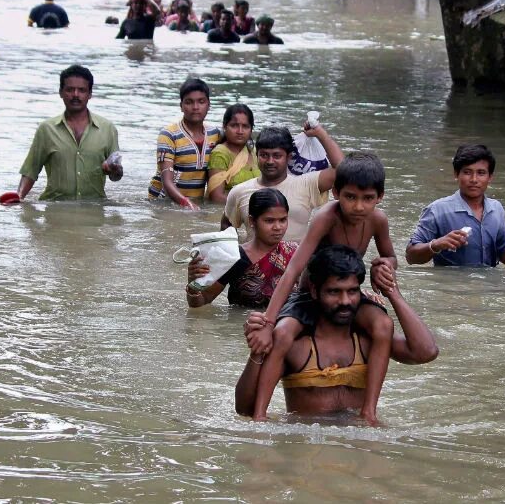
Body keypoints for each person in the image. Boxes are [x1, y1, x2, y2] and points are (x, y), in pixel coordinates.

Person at [249, 152, 398, 425]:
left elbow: (391, 256)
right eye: (350, 197)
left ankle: (369, 412)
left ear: (380, 196)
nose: (358, 207)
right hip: (310, 295)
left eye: (367, 199)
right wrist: (269, 322)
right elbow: (294, 269)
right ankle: (259, 415)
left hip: (346, 294)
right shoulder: (326, 217)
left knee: (384, 326)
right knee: (282, 335)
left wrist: (384, 265)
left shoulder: (379, 220)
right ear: (336, 193)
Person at [236, 245, 438, 421]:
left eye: (352, 291)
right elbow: (245, 410)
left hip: (357, 451)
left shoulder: (372, 340)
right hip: (306, 455)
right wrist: (256, 352)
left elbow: (425, 351)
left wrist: (392, 291)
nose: (345, 301)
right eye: (334, 292)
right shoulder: (294, 344)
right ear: (315, 291)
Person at [16, 65, 123, 201]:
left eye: (82, 90)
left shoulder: (108, 129)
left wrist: (114, 170)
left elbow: (117, 175)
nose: (75, 95)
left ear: (90, 94)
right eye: (70, 90)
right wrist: (18, 198)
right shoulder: (46, 129)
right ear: (60, 92)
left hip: (94, 209)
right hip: (54, 209)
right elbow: (30, 171)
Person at [222, 124, 343, 243]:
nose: (270, 161)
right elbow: (226, 225)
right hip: (256, 261)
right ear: (256, 155)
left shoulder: (307, 184)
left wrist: (322, 135)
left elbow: (344, 170)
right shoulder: (239, 191)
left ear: (289, 157)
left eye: (277, 156)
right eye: (264, 155)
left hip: (296, 261)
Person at [405, 144, 505, 267]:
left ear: (490, 177)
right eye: (467, 172)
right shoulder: (437, 210)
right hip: (452, 285)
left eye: (481, 173)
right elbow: (410, 256)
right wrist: (436, 244)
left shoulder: (496, 209)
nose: (474, 179)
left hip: (491, 285)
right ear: (456, 174)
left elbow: (503, 250)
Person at [187, 189, 297, 307]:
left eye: (283, 220)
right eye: (269, 221)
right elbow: (202, 301)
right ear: (252, 221)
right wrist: (194, 285)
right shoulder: (234, 257)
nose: (278, 227)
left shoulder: (296, 253)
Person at [148, 78, 222, 209]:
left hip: (196, 203)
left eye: (201, 101)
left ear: (208, 105)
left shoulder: (215, 134)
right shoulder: (168, 134)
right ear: (181, 106)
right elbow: (167, 181)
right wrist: (186, 203)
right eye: (189, 102)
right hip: (162, 203)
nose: (195, 107)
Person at [206, 103, 260, 203]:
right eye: (234, 126)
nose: (240, 131)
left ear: (251, 129)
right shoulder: (220, 154)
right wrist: (251, 207)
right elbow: (216, 197)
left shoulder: (253, 151)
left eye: (245, 126)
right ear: (225, 126)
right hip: (231, 212)